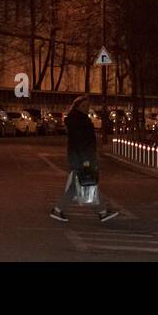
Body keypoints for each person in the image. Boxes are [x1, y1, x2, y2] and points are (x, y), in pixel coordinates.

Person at [50, 95, 118, 224]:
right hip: (82, 159)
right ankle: (101, 212)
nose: (88, 108)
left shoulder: (77, 119)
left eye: (88, 106)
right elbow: (81, 142)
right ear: (79, 106)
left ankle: (102, 212)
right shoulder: (79, 121)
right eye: (86, 106)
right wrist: (86, 160)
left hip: (79, 158)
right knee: (86, 183)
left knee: (85, 184)